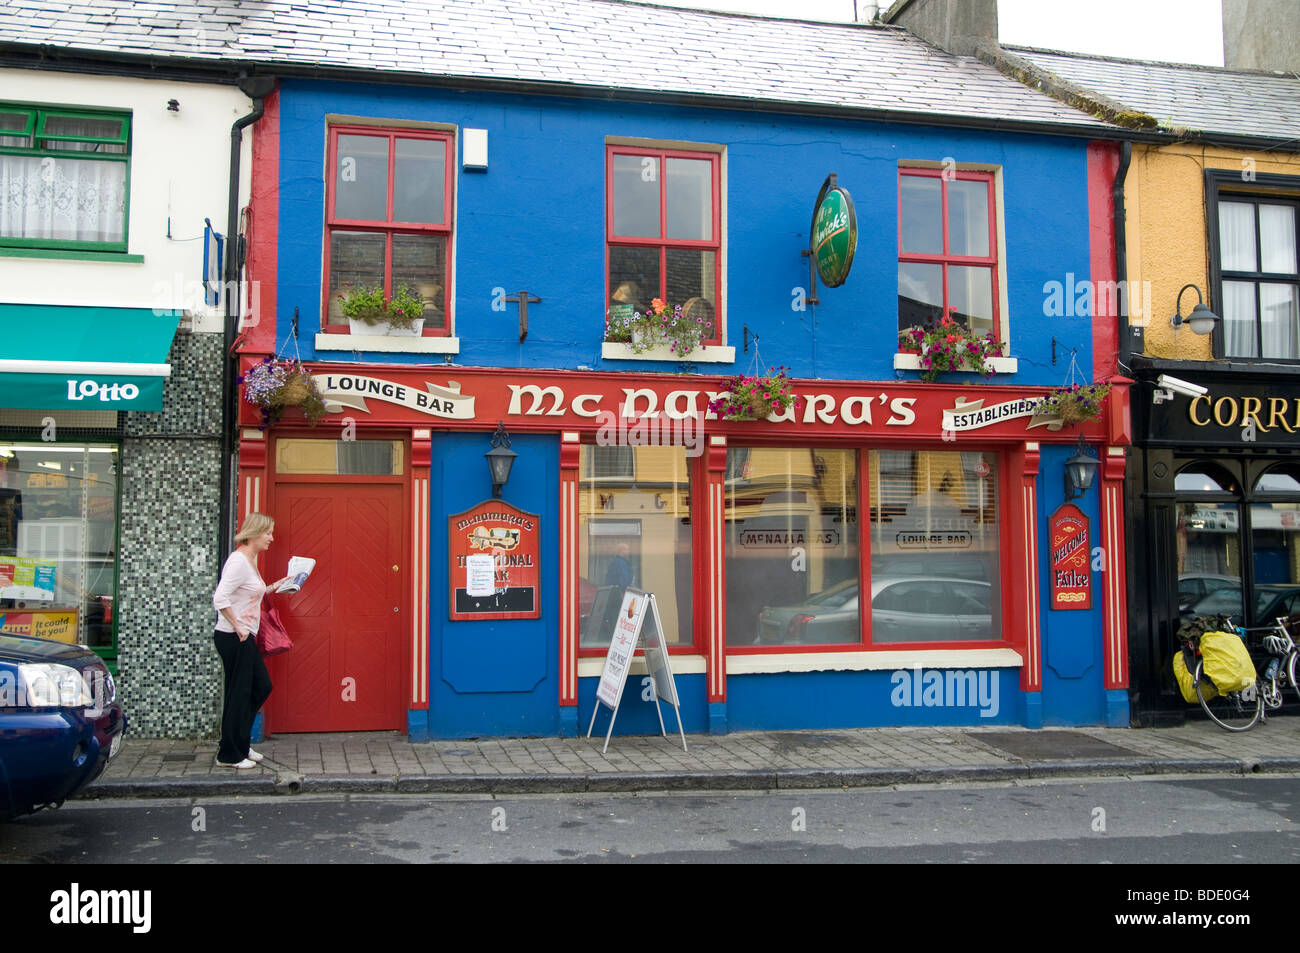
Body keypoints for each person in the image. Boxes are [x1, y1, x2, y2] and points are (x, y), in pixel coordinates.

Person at [212, 512, 289, 769]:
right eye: (268, 533)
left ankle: (240, 744)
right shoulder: (238, 561)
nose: (271, 538)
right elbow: (220, 598)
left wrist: (274, 586)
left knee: (260, 687)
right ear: (255, 533)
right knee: (240, 693)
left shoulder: (249, 559)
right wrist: (238, 627)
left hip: (244, 636)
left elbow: (249, 595)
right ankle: (229, 755)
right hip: (235, 637)